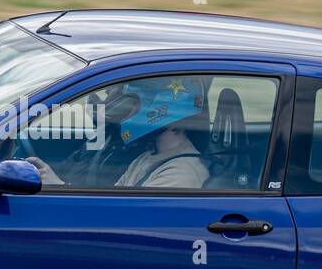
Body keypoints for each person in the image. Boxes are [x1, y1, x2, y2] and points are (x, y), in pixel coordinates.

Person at [29, 77, 209, 189]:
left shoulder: (180, 172)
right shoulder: (150, 156)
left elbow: (130, 220)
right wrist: (60, 186)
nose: (127, 115)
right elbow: (111, 201)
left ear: (161, 111)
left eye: (135, 107)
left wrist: (59, 187)